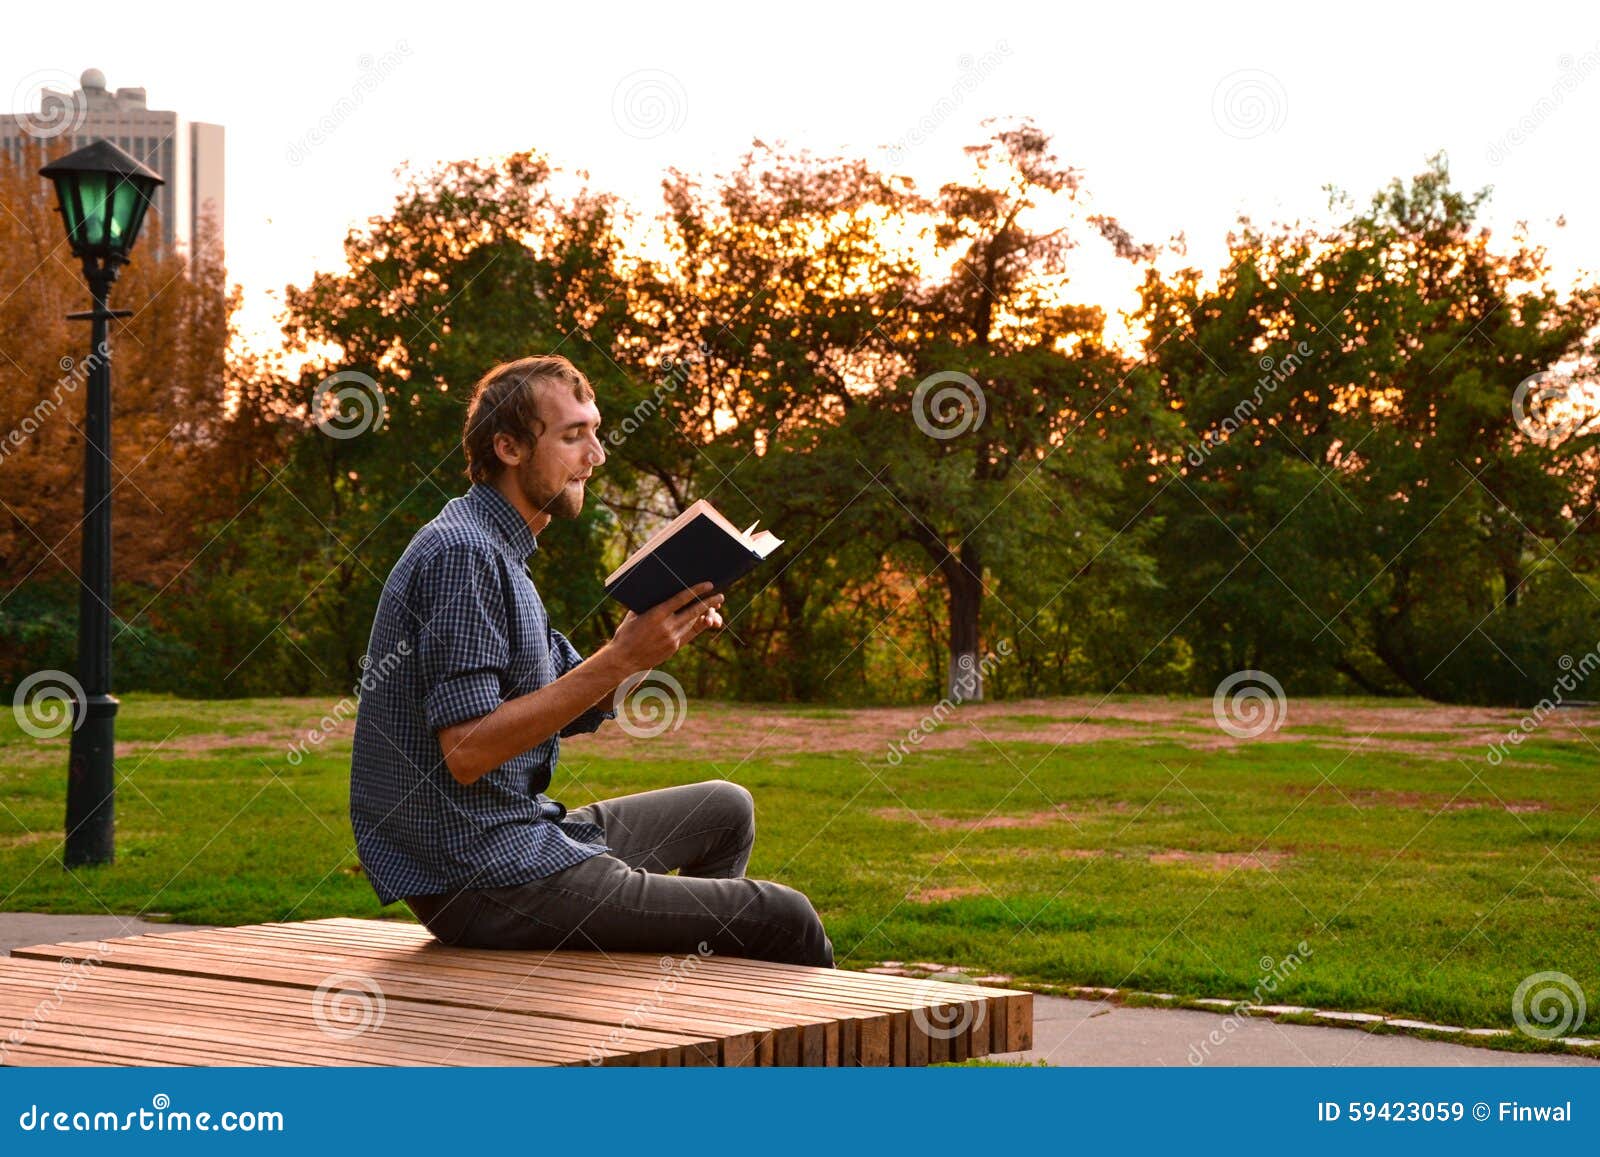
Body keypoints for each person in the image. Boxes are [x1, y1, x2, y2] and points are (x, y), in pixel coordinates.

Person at [349, 353, 834, 968]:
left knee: (726, 809)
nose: (596, 456)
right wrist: (618, 658)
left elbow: (572, 699)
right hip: (481, 874)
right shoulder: (463, 556)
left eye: (595, 432)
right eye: (574, 436)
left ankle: (690, 1012)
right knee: (781, 917)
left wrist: (651, 640)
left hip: (520, 839)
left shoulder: (500, 549)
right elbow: (467, 750)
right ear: (509, 447)